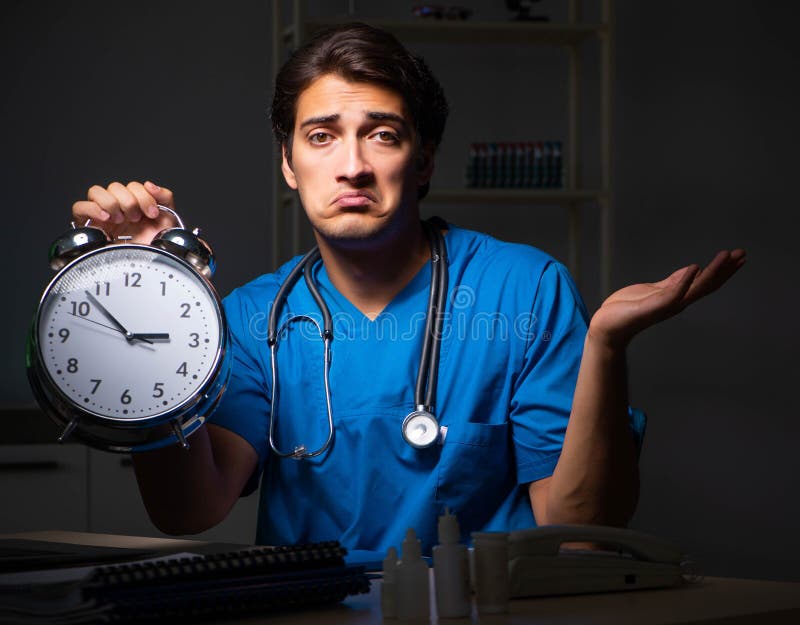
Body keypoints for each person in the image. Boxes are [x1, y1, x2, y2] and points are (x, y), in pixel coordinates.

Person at [71, 23, 745, 554]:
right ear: (288, 163)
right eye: (322, 136)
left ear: (421, 161)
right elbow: (189, 510)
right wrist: (154, 301)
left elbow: (578, 526)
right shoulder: (251, 319)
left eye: (383, 135)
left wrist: (604, 346)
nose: (354, 165)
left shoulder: (526, 290)